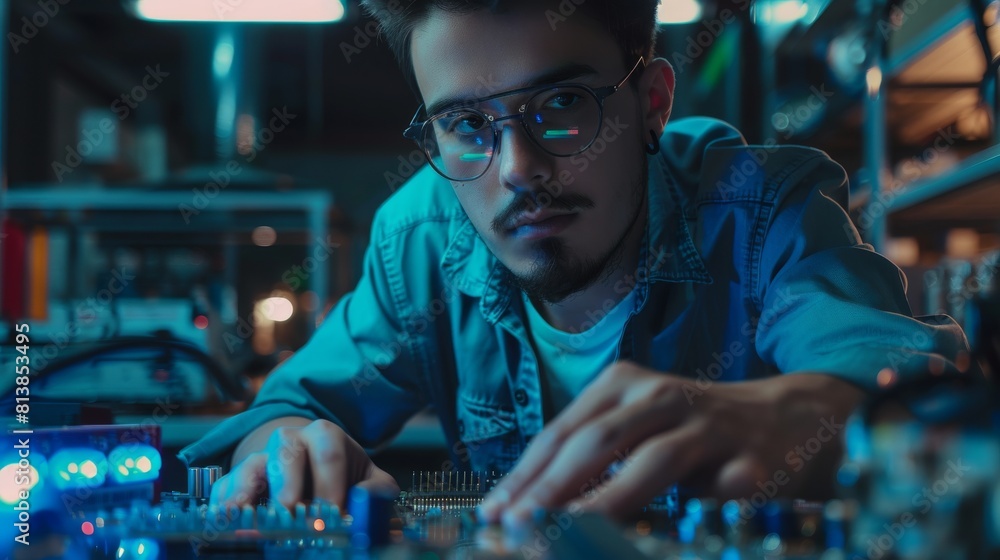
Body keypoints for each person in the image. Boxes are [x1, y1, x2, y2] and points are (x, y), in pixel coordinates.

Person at [181, 0, 972, 526]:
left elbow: (917, 403)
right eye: (466, 125)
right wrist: (289, 449)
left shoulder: (764, 209)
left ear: (652, 103)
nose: (518, 169)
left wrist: (799, 416)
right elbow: (279, 415)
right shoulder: (420, 236)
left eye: (562, 106)